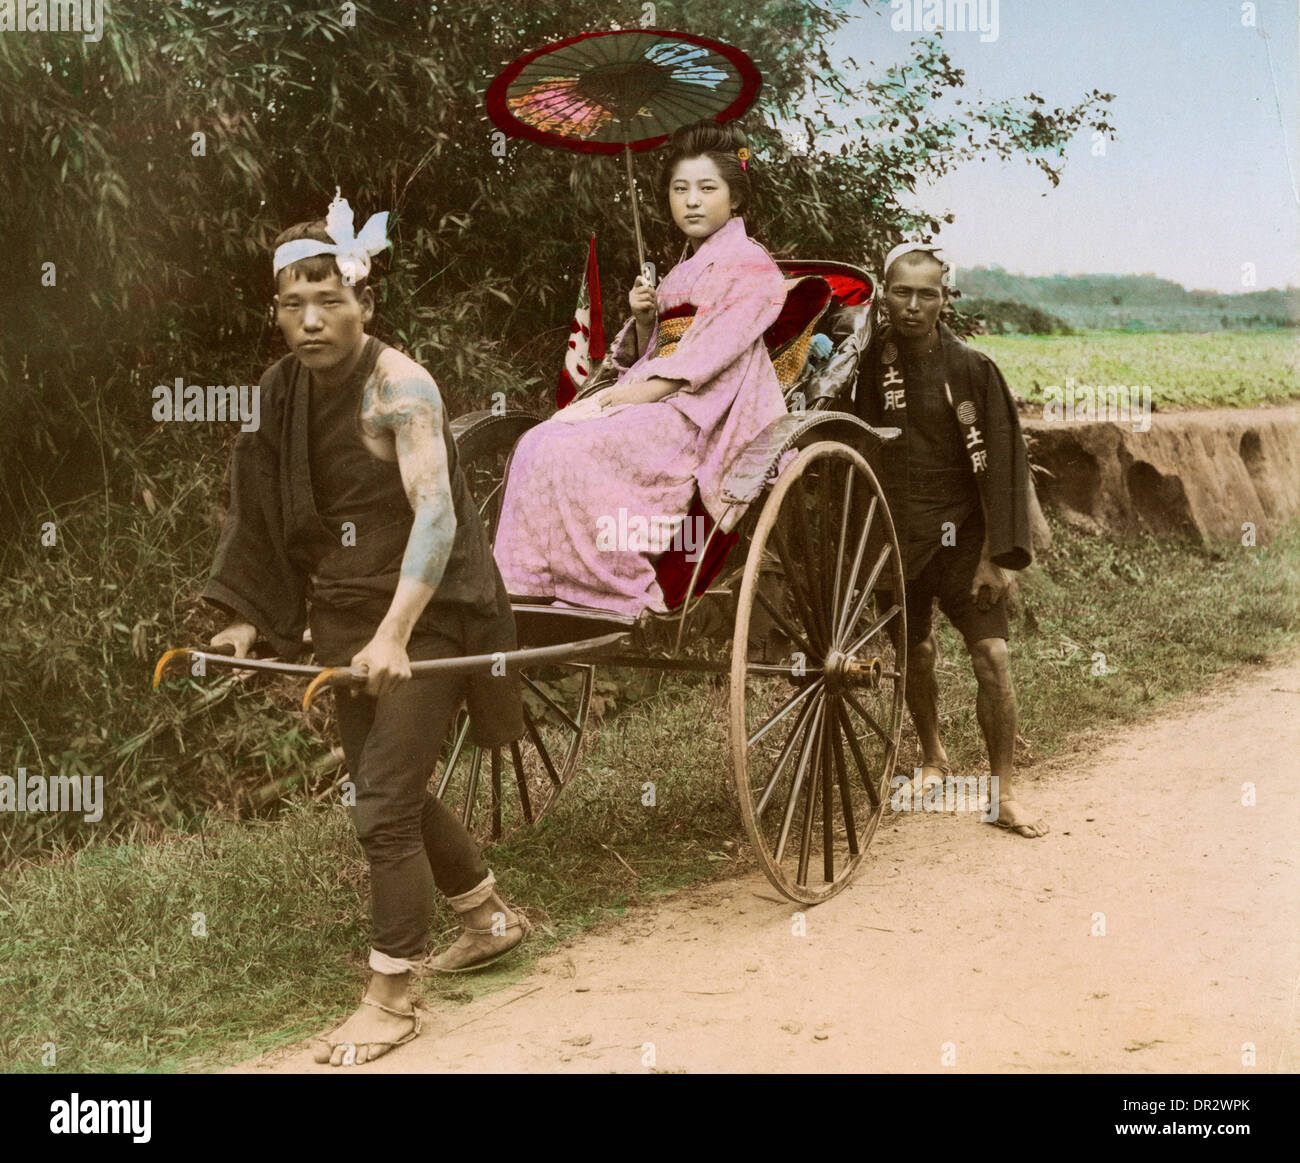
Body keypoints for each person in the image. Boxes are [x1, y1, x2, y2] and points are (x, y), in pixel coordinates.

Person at [203, 192, 531, 1067]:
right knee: (384, 782)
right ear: (275, 310)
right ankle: (488, 917)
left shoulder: (402, 386)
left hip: (434, 610)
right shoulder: (278, 394)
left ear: (365, 302)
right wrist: (242, 615)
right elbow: (259, 516)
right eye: (292, 303)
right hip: (346, 612)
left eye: (329, 298)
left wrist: (393, 635)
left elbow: (436, 520)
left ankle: (392, 995)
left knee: (380, 803)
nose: (310, 321)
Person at [492, 120, 788, 616]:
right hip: (660, 391)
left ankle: (610, 585)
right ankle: (532, 578)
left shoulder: (752, 268)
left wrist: (649, 390)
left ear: (735, 199)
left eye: (707, 188)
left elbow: (715, 348)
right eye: (679, 189)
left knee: (577, 447)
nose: (691, 201)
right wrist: (648, 317)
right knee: (539, 441)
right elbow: (657, 346)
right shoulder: (680, 269)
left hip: (705, 408)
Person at [854, 242, 1048, 838]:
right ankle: (934, 756)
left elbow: (1007, 466)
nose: (913, 306)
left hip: (966, 540)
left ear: (945, 299)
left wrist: (996, 557)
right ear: (884, 294)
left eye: (927, 294)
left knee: (992, 656)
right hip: (899, 535)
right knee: (914, 655)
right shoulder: (863, 369)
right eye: (901, 292)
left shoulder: (972, 369)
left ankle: (1004, 792)